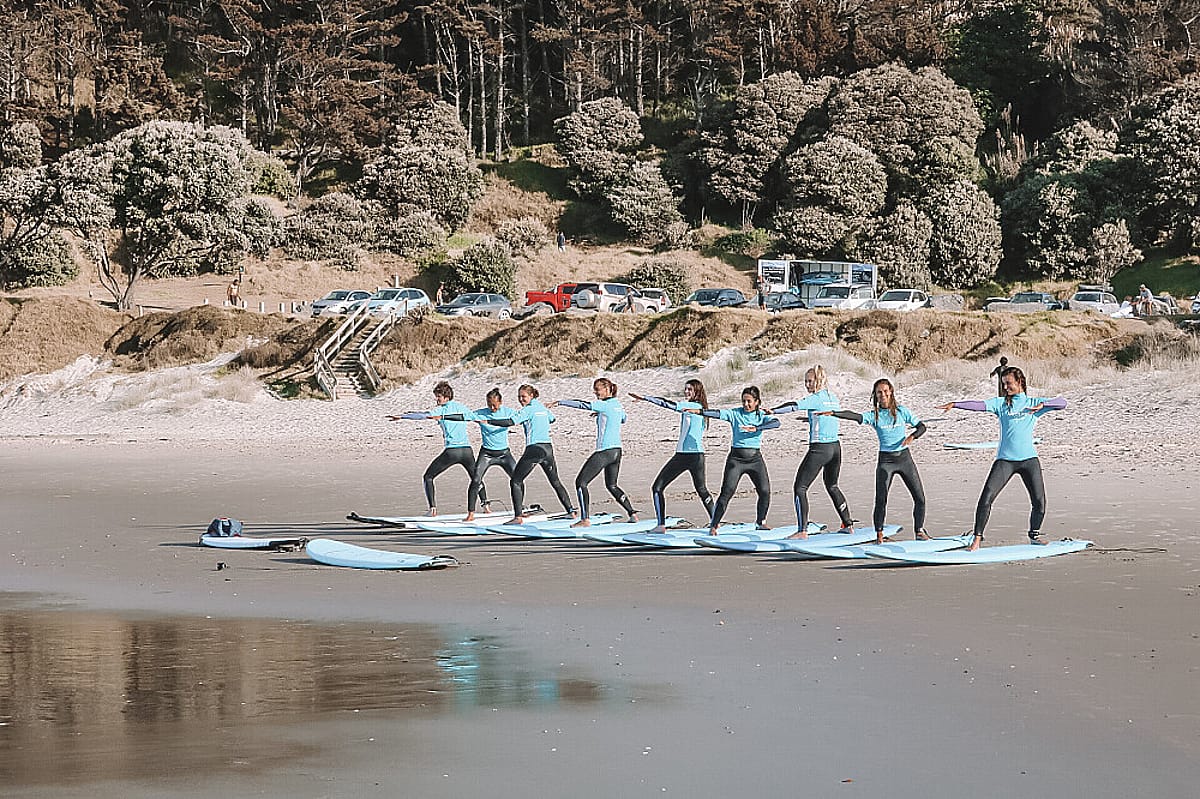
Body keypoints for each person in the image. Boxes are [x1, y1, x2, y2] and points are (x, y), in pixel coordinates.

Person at [938, 365, 1067, 550]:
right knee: (986, 498)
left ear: (1020, 382)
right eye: (1003, 384)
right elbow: (980, 405)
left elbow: (1062, 403)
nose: (1005, 387)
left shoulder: (1033, 403)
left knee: (1039, 502)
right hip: (1005, 460)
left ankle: (1034, 535)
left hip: (1029, 460)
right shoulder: (1001, 404)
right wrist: (956, 404)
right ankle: (977, 538)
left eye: (1008, 383)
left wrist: (1044, 405)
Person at [824, 379, 929, 545]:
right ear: (876, 395)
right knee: (881, 500)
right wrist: (835, 413)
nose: (883, 395)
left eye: (886, 391)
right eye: (879, 392)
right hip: (886, 462)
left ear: (891, 391)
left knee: (920, 498)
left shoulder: (902, 411)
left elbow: (922, 427)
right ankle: (879, 536)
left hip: (904, 459)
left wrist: (911, 437)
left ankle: (919, 531)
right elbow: (855, 416)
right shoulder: (874, 415)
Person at [770, 365, 855, 539]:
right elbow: (826, 418)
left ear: (818, 380)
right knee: (832, 485)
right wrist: (808, 419)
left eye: (810, 381)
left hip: (820, 449)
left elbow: (794, 406)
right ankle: (848, 525)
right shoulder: (832, 397)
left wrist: (773, 410)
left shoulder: (815, 398)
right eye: (805, 381)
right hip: (835, 448)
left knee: (800, 487)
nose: (807, 385)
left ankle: (802, 531)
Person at [687, 386, 780, 534]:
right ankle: (714, 525)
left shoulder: (761, 415)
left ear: (757, 402)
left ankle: (761, 522)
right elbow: (718, 413)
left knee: (765, 491)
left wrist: (757, 428)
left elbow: (776, 423)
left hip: (755, 460)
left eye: (749, 401)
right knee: (726, 493)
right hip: (736, 460)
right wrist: (700, 411)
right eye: (743, 401)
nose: (746, 404)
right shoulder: (735, 413)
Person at [387, 381, 487, 516]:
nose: (437, 399)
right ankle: (486, 506)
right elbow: (478, 418)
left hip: (452, 451)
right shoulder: (462, 407)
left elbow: (422, 415)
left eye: (439, 396)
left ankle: (432, 509)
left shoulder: (441, 410)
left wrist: (402, 416)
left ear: (446, 397)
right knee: (476, 478)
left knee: (428, 477)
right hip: (467, 451)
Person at [482, 384, 576, 524]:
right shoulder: (541, 408)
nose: (521, 399)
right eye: (519, 397)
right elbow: (552, 419)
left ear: (532, 396)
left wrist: (489, 421)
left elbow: (510, 422)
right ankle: (571, 512)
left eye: (524, 396)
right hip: (548, 449)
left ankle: (518, 517)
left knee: (516, 481)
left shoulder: (528, 410)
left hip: (535, 449)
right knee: (555, 481)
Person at [630, 380, 715, 533]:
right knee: (699, 490)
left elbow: (666, 404)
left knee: (659, 488)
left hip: (690, 457)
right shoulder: (700, 408)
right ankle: (714, 521)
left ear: (698, 391)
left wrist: (646, 398)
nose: (686, 392)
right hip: (688, 455)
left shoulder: (694, 407)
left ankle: (662, 525)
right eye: (686, 389)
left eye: (690, 389)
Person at [555, 377, 637, 527]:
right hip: (617, 451)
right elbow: (623, 419)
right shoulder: (617, 404)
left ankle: (585, 519)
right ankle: (632, 513)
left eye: (597, 389)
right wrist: (601, 414)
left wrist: (561, 402)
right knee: (612, 485)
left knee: (581, 482)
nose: (595, 392)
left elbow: (582, 404)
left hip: (604, 451)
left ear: (607, 389)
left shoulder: (603, 405)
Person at [438, 388, 517, 522]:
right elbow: (463, 417)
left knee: (517, 479)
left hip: (504, 454)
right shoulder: (481, 414)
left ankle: (519, 511)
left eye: (494, 404)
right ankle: (471, 513)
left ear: (500, 402)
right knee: (475, 480)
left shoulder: (509, 412)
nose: (492, 407)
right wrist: (443, 417)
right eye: (489, 404)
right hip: (487, 454)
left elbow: (524, 417)